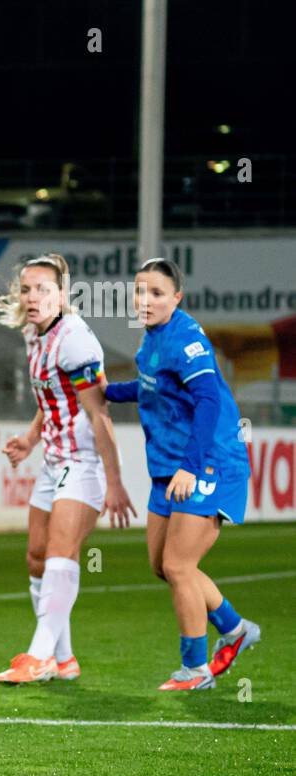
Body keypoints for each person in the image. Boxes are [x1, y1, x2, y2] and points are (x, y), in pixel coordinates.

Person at [103, 257, 260, 691]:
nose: (145, 300)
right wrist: (108, 392)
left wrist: (192, 467)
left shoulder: (186, 339)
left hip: (207, 463)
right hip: (169, 468)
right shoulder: (150, 343)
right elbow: (153, 386)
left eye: (156, 293)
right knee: (162, 566)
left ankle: (194, 669)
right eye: (139, 291)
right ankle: (235, 629)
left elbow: (208, 400)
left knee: (178, 565)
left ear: (177, 298)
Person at [0, 254, 136, 684]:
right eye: (26, 289)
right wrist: (31, 439)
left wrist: (114, 482)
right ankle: (64, 658)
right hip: (54, 461)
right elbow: (49, 396)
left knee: (60, 552)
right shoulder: (33, 333)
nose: (32, 297)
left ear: (62, 296)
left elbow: (99, 414)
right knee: (37, 557)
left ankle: (38, 657)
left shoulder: (75, 340)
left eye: (42, 289)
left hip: (84, 463)